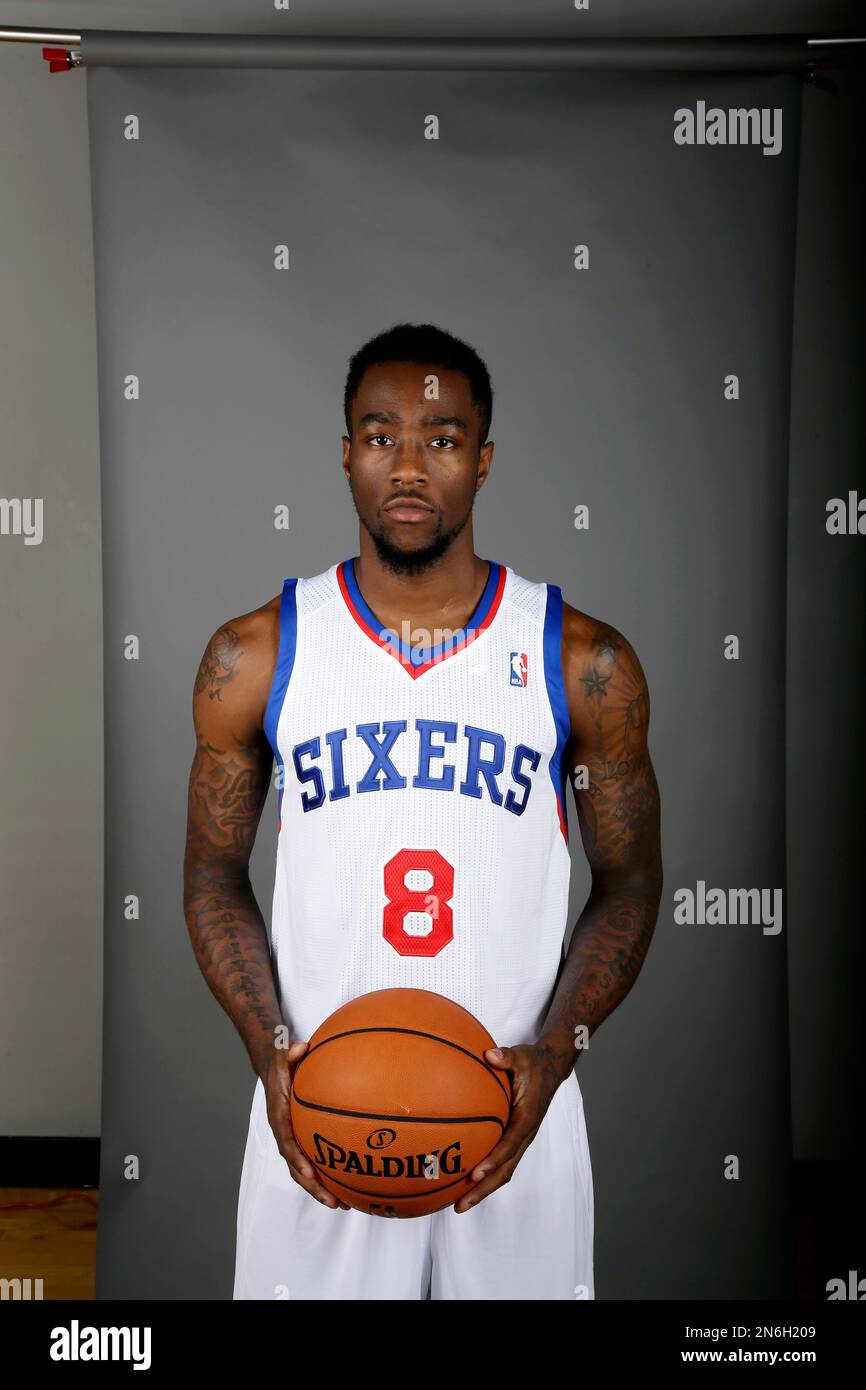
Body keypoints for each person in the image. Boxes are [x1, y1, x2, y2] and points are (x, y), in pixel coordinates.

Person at [182, 322, 663, 1300]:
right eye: (379, 434)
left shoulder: (582, 659)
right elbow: (209, 876)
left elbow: (628, 881)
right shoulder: (256, 654)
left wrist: (557, 1050)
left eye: (441, 438)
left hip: (513, 1109)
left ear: (482, 462)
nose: (408, 465)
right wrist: (269, 1048)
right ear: (344, 455)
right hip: (316, 1103)